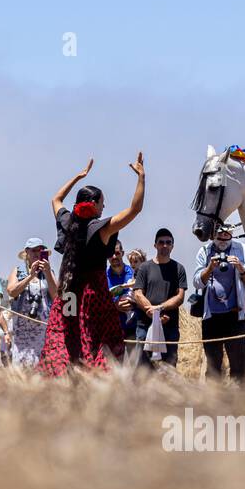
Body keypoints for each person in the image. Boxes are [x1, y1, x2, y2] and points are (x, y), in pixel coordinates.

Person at [39, 152, 146, 376]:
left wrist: (78, 177)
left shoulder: (68, 222)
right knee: (98, 340)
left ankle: (62, 377)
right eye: (102, 204)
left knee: (68, 336)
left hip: (69, 294)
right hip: (93, 295)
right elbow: (135, 209)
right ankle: (93, 384)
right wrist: (141, 177)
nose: (104, 208)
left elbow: (55, 200)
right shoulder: (101, 229)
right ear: (94, 204)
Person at [192, 224, 245, 383]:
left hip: (235, 316)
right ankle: (214, 400)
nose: (222, 240)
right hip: (211, 317)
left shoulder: (242, 250)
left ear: (232, 235)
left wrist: (241, 268)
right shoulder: (205, 251)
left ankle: (238, 401)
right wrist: (209, 268)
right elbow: (197, 283)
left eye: (226, 236)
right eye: (218, 236)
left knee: (238, 364)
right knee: (213, 365)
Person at [132, 229, 187, 369]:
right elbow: (138, 293)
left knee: (168, 372)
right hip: (145, 326)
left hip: (169, 327)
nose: (165, 245)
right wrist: (151, 312)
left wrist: (159, 309)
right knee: (143, 372)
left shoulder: (179, 269)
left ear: (172, 246)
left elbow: (180, 297)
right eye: (161, 242)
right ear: (155, 245)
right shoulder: (144, 268)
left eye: (168, 243)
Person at [6, 237, 55, 366]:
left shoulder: (49, 271)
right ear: (27, 252)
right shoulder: (17, 271)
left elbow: (56, 296)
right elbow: (11, 291)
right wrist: (31, 276)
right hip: (22, 331)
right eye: (34, 250)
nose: (37, 253)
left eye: (40, 250)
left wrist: (48, 272)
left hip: (42, 329)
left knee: (41, 368)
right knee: (21, 368)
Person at [106, 241, 138, 343]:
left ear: (123, 253)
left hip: (133, 329)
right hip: (112, 329)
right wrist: (114, 305)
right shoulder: (102, 278)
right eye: (110, 253)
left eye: (117, 253)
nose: (114, 256)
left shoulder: (135, 274)